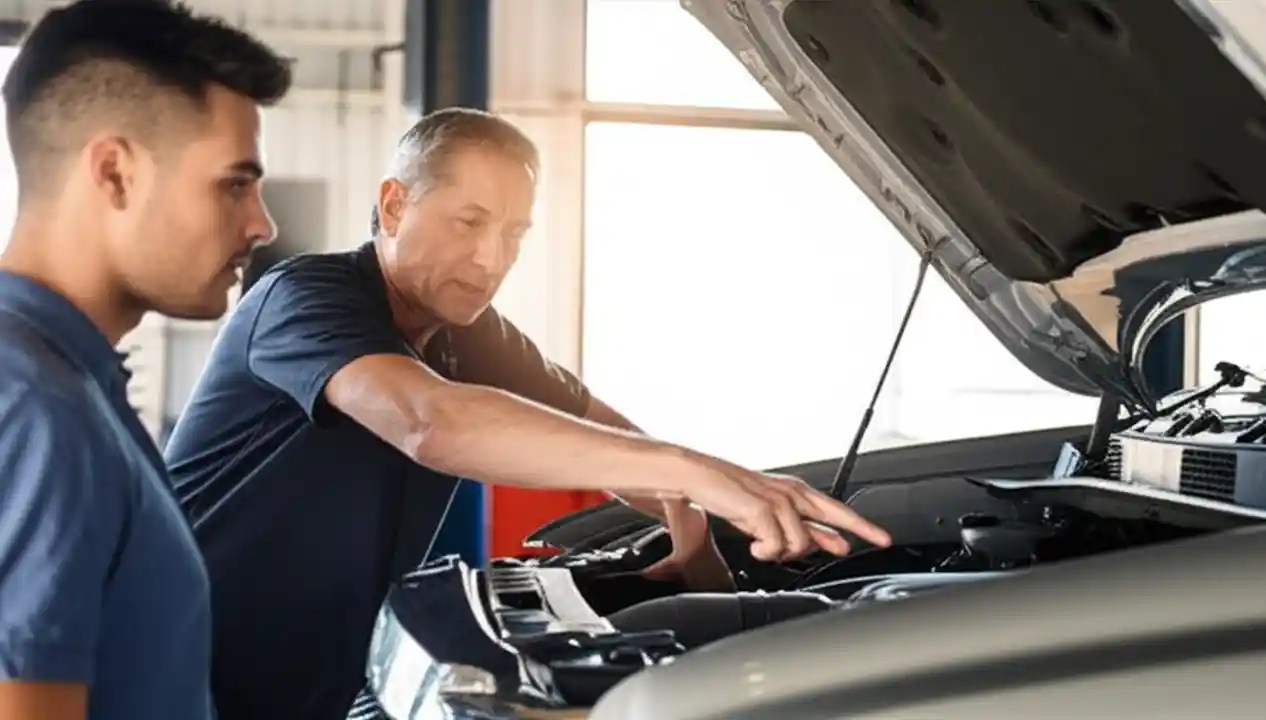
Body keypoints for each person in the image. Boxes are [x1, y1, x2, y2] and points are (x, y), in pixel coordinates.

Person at [164, 107, 891, 720]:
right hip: (170, 675)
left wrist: (699, 531)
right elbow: (428, 423)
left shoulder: (469, 334)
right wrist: (689, 474)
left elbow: (609, 443)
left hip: (311, 688)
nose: (491, 258)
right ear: (393, 205)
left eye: (514, 234)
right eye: (469, 222)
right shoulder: (307, 300)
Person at [0, 2, 291, 718]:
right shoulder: (39, 408)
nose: (262, 223)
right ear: (115, 173)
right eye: (233, 183)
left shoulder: (70, 382)